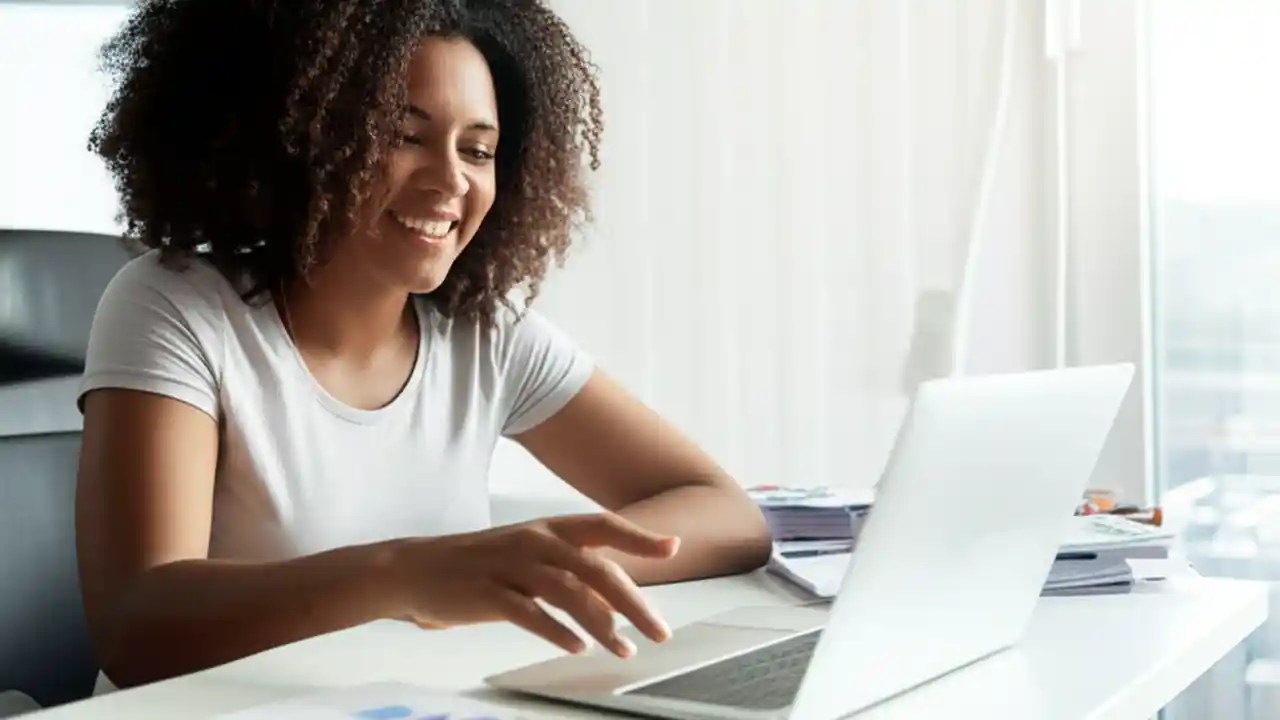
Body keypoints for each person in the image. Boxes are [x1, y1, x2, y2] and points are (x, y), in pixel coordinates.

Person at [74, 0, 773, 690]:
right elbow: (138, 628)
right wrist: (409, 574)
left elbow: (727, 513)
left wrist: (544, 565)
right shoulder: (177, 308)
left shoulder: (486, 336)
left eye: (478, 150)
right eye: (402, 136)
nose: (450, 180)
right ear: (298, 138)